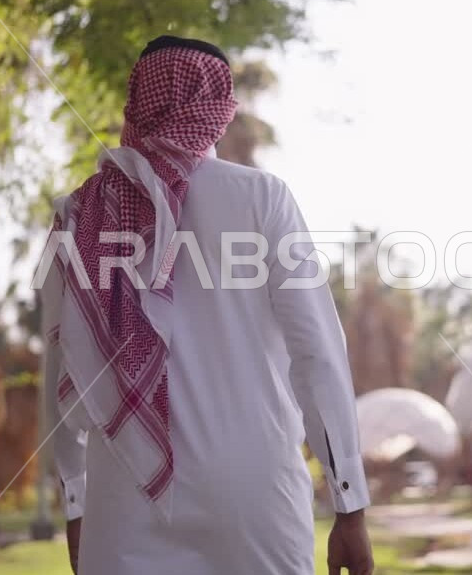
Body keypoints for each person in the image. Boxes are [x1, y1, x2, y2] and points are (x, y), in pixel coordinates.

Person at [38, 35, 373, 575]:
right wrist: (349, 503)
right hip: (254, 494)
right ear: (219, 106)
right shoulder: (262, 197)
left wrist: (77, 499)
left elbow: (63, 364)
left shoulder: (81, 214)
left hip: (124, 500)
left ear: (136, 101)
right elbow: (317, 353)